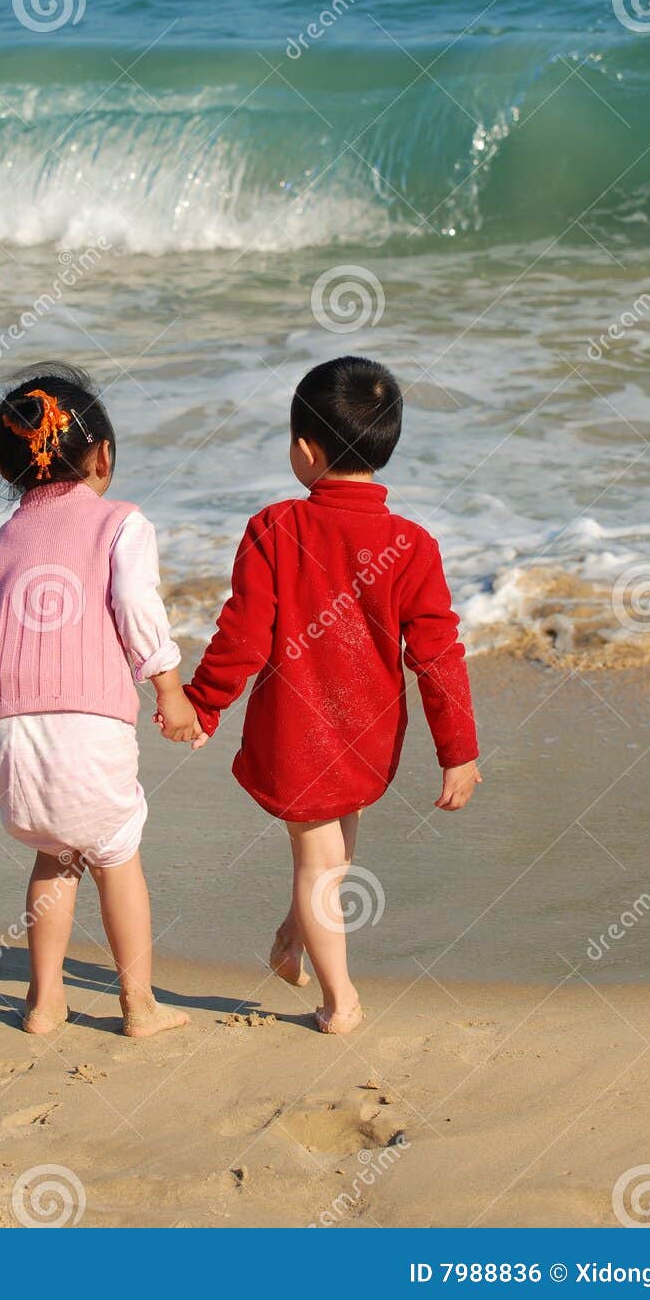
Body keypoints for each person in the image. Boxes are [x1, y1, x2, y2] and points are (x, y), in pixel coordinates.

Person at [171, 355, 482, 1035]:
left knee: (321, 861)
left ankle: (339, 1002)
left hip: (296, 735)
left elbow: (243, 636)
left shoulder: (274, 528)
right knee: (329, 856)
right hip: (367, 733)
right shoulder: (412, 544)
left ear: (306, 450)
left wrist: (204, 699)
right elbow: (436, 656)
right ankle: (292, 938)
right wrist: (458, 750)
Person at [0, 364, 199, 1039]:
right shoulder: (119, 523)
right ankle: (139, 1006)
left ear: (8, 469)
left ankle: (44, 1004)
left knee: (54, 852)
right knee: (115, 850)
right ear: (102, 455)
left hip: (1, 730)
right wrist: (167, 686)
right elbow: (135, 605)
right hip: (85, 724)